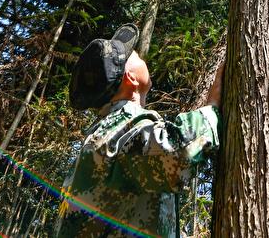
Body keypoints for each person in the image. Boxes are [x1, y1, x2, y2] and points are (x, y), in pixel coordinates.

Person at [56, 24, 223, 238]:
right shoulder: (118, 128)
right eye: (134, 55)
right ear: (131, 77)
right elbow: (177, 152)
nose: (141, 56)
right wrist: (212, 107)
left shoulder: (105, 132)